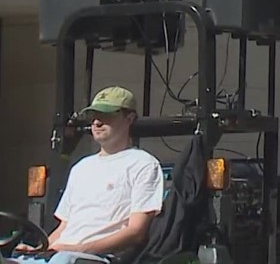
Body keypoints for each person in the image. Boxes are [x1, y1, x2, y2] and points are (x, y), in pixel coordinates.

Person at [10, 87, 164, 264]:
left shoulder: (143, 164)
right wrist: (38, 250)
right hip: (61, 256)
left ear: (129, 119)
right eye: (94, 116)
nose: (97, 122)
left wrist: (75, 249)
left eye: (106, 115)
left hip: (96, 258)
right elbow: (65, 227)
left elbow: (136, 232)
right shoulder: (81, 167)